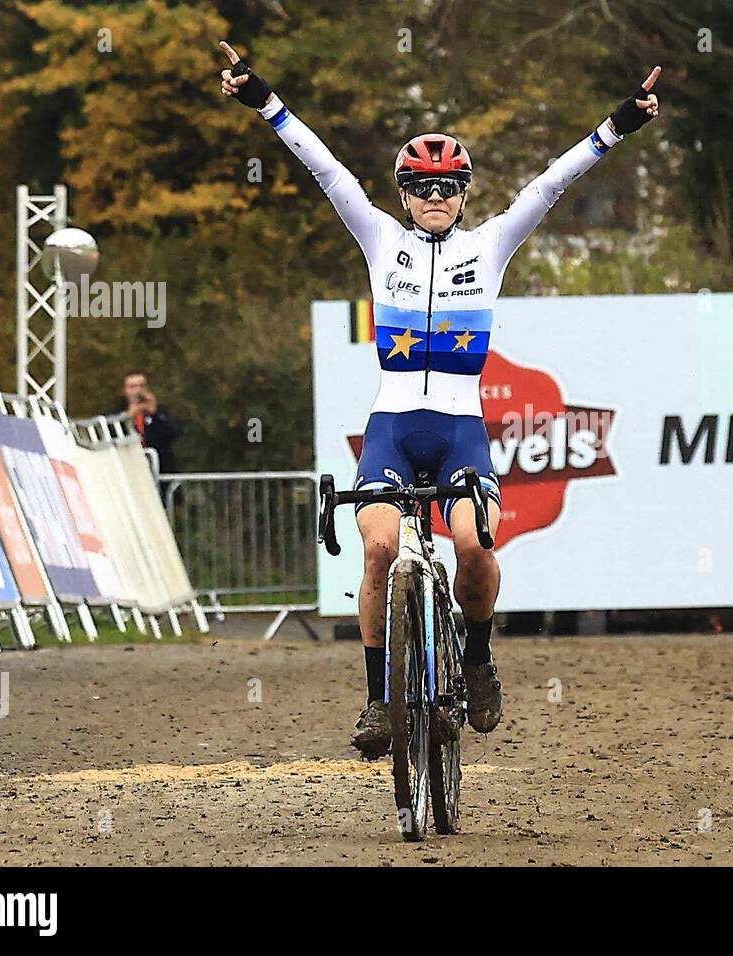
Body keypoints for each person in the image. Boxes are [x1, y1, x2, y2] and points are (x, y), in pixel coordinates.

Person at [219, 41, 660, 757]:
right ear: (402, 195)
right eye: (421, 187)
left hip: (460, 430)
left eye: (447, 187)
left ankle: (479, 659)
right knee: (379, 550)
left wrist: (617, 125)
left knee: (472, 548)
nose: (434, 198)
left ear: (464, 194)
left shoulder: (488, 247)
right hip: (391, 426)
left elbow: (548, 187)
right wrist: (262, 99)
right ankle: (376, 702)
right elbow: (323, 168)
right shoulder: (377, 238)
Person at [115, 370, 180, 475]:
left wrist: (155, 414)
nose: (138, 391)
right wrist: (127, 418)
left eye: (141, 386)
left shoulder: (161, 412)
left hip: (161, 471)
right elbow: (111, 438)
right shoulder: (116, 414)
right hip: (130, 470)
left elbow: (173, 435)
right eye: (132, 387)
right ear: (124, 391)